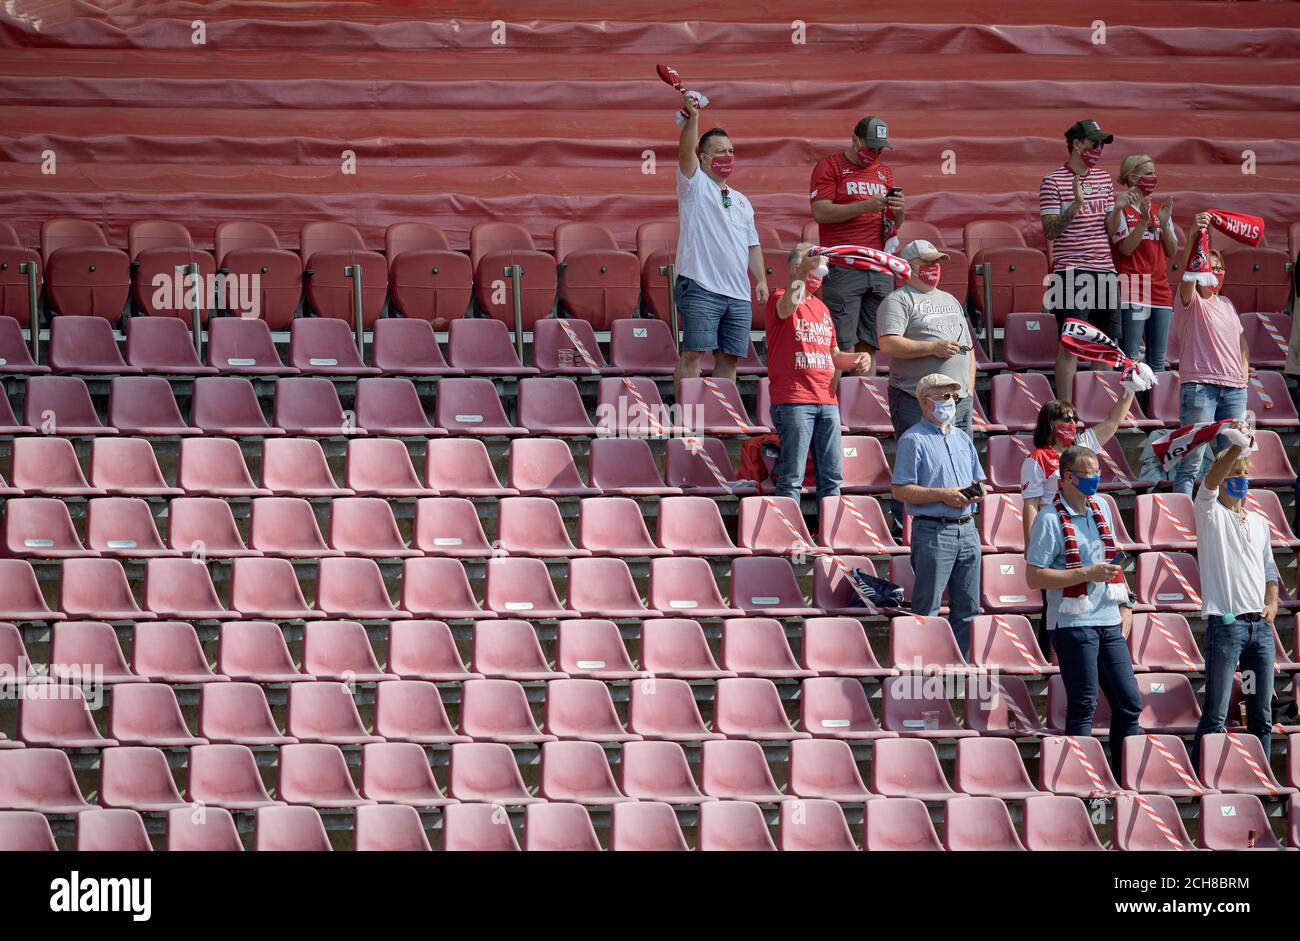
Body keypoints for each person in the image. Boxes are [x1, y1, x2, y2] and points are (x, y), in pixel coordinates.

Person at [1025, 445, 1142, 774]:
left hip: (1108, 617)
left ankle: (1123, 779)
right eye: (1088, 474)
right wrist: (1084, 574)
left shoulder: (1102, 505)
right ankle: (1081, 782)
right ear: (1067, 478)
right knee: (1083, 705)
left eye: (1097, 472)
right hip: (1072, 623)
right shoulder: (1049, 519)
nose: (1095, 479)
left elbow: (1113, 560)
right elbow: (1034, 576)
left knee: (1129, 703)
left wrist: (1127, 604)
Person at [1190, 421, 1280, 767]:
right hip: (1227, 630)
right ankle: (1200, 778)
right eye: (1234, 476)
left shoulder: (1259, 522)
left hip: (1260, 633)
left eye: (1244, 477)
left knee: (1261, 712)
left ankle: (1262, 778)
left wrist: (1272, 601)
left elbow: (1270, 571)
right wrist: (1236, 448)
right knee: (1216, 712)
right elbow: (1211, 481)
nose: (1240, 483)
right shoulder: (1209, 513)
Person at [673, 91, 768, 403]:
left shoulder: (743, 200)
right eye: (719, 151)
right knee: (693, 354)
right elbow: (685, 150)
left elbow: (752, 244)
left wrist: (761, 280)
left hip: (738, 293)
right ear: (703, 158)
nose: (727, 156)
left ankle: (719, 413)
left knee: (729, 359)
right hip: (701, 286)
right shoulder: (694, 186)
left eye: (730, 150)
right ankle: (688, 417)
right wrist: (694, 118)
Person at [877, 238, 976, 536]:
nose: (934, 269)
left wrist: (968, 387)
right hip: (914, 398)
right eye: (927, 263)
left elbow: (968, 348)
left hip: (958, 401)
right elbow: (888, 343)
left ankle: (964, 523)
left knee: (960, 461)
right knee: (916, 463)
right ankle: (904, 528)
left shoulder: (950, 300)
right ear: (909, 268)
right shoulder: (898, 300)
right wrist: (932, 348)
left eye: (937, 263)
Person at [765, 245, 872, 502]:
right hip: (794, 401)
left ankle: (831, 538)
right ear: (795, 268)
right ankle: (788, 537)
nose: (818, 269)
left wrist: (857, 358)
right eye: (809, 263)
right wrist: (802, 274)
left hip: (827, 401)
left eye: (818, 266)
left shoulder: (822, 309)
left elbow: (834, 355)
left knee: (832, 477)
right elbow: (786, 309)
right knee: (792, 477)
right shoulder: (779, 296)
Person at [890, 374, 985, 656]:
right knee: (927, 608)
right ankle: (925, 671)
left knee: (968, 608)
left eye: (952, 397)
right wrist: (943, 495)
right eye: (943, 397)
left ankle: (961, 670)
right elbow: (900, 490)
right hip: (933, 531)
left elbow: (980, 480)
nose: (950, 403)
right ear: (924, 401)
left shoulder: (963, 439)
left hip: (967, 529)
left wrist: (977, 492)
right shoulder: (913, 440)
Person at [809, 115, 905, 374]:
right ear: (855, 139)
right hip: (843, 265)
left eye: (879, 149)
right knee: (840, 344)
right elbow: (820, 212)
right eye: (870, 147)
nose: (874, 153)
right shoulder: (829, 166)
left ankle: (867, 409)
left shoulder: (885, 173)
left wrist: (899, 210)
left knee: (870, 345)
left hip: (878, 264)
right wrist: (865, 206)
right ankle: (832, 410)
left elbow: (894, 223)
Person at [1039, 120, 1125, 403]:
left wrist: (1119, 211)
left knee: (1104, 345)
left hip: (1105, 270)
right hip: (1070, 271)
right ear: (1077, 145)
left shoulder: (1103, 179)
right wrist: (1075, 205)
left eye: (1101, 145)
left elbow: (1112, 231)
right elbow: (1050, 231)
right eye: (1095, 143)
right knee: (1071, 345)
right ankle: (1066, 410)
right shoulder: (1052, 181)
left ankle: (1098, 404)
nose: (1099, 150)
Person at [1172, 215, 1249, 496]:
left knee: (1231, 461)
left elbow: (1242, 343)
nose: (1214, 272)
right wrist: (1195, 235)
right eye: (1209, 267)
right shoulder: (1190, 300)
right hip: (1200, 388)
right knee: (1191, 463)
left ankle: (1225, 516)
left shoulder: (1227, 303)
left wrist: (1243, 372)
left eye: (1219, 268)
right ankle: (1183, 527)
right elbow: (1188, 274)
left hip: (1234, 390)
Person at [1019, 393, 1133, 549]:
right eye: (1067, 419)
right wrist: (1030, 543)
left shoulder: (1082, 445)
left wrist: (1130, 390)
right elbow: (1031, 504)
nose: (1073, 424)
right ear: (1050, 423)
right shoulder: (1036, 458)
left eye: (1075, 419)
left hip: (1088, 522)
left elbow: (1113, 422)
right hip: (1056, 524)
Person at [1112, 154, 1177, 376]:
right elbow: (1125, 249)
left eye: (1154, 172)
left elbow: (1171, 251)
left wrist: (1165, 223)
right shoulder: (1120, 209)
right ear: (1132, 177)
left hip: (1160, 289)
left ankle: (1153, 410)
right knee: (1131, 357)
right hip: (1132, 288)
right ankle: (1130, 410)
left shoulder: (1160, 209)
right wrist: (1143, 223)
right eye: (1149, 173)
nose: (1154, 177)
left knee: (1157, 361)